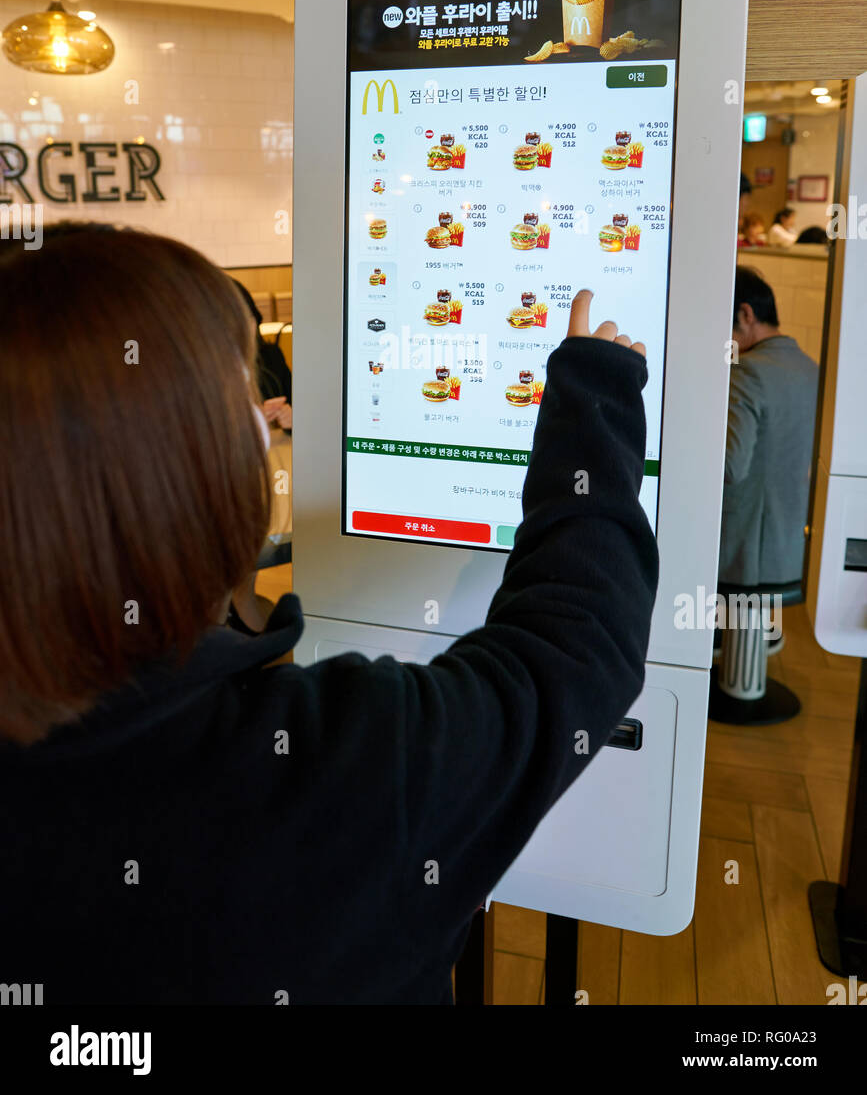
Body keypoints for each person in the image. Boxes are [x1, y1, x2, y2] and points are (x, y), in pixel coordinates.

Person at [0, 224, 656, 1005]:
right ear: (189, 476)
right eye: (238, 397)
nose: (259, 420)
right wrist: (594, 405)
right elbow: (575, 641)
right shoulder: (350, 765)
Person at [719, 266, 819, 589]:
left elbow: (730, 467)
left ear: (745, 314)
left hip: (745, 557)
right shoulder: (810, 368)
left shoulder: (747, 371)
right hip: (791, 552)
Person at [234, 278, 293, 432]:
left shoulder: (271, 356)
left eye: (249, 320)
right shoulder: (205, 372)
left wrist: (292, 417)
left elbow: (299, 407)